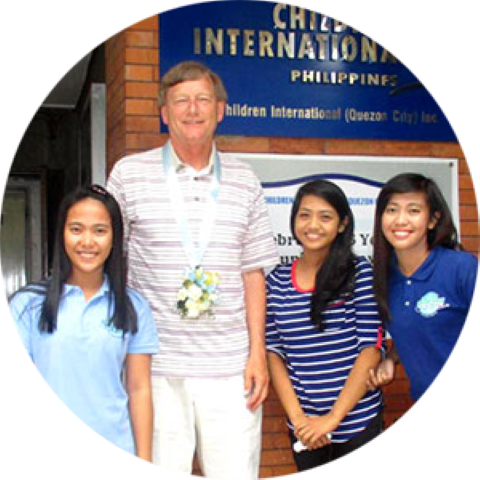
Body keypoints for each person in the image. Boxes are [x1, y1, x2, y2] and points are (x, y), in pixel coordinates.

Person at [106, 61, 278, 479]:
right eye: (181, 100)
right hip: (154, 367)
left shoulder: (244, 178)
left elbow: (253, 271)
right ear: (164, 112)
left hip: (232, 368)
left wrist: (257, 352)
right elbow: (111, 266)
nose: (193, 109)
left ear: (220, 109)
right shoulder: (129, 174)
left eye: (203, 99)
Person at [8, 185, 159, 461]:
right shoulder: (27, 305)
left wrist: (145, 457)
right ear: (62, 235)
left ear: (114, 238)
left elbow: (139, 389)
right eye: (76, 229)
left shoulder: (133, 307)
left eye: (99, 230)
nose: (87, 241)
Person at [266, 179, 384, 470]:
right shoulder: (277, 281)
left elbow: (370, 350)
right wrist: (300, 420)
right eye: (305, 214)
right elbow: (274, 353)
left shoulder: (359, 274)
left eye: (325, 216)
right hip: (304, 428)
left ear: (343, 224)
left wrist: (331, 420)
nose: (313, 225)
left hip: (357, 422)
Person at [368, 173, 480, 403]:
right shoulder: (385, 276)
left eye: (413, 210)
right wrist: (391, 358)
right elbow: (415, 327)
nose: (400, 220)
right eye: (391, 210)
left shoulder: (461, 267)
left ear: (432, 220)